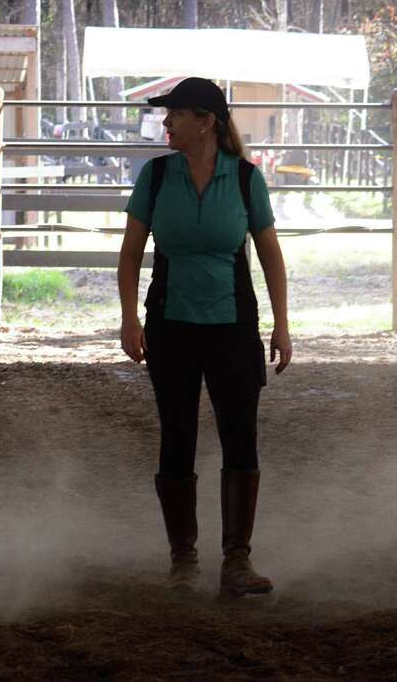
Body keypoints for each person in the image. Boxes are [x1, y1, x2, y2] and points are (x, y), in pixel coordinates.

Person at [117, 77, 292, 598]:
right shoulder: (155, 176)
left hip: (233, 325)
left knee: (241, 436)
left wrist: (281, 324)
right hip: (170, 324)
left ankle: (236, 560)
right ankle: (183, 560)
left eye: (174, 115)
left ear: (206, 122)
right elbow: (129, 255)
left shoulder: (244, 180)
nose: (165, 123)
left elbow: (270, 254)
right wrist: (130, 318)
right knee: (177, 436)